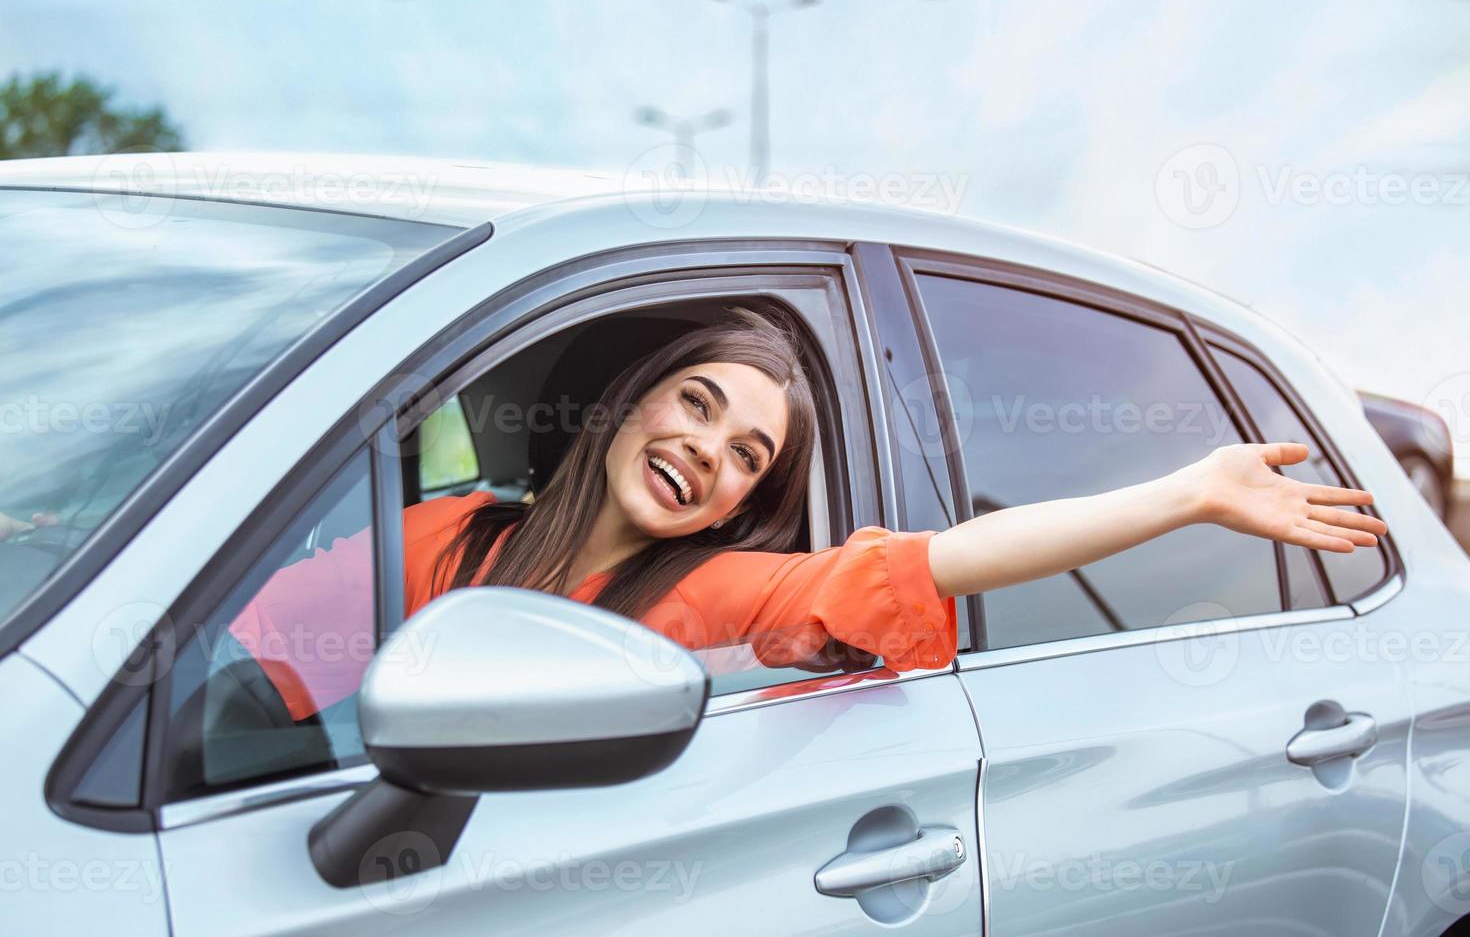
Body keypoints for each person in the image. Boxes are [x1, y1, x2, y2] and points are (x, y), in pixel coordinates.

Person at [227, 308, 1387, 721]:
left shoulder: (710, 595)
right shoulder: (449, 532)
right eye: (696, 402)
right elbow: (247, 677)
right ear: (631, 397)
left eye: (747, 455)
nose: (706, 451)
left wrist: (1188, 493)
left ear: (743, 503)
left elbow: (949, 557)